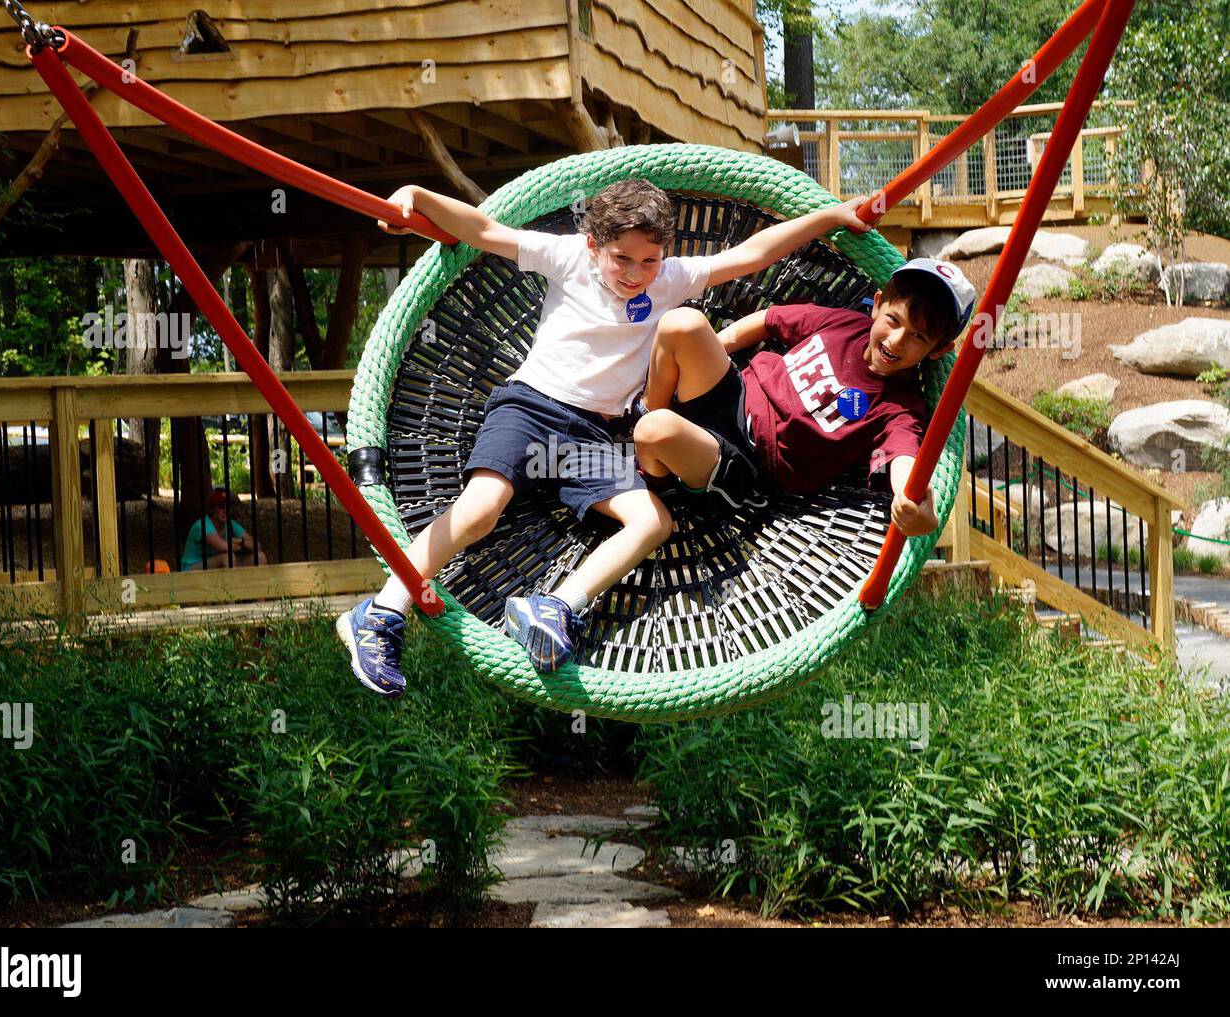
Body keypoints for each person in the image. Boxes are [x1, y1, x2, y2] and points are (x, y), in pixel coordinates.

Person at [337, 179, 872, 698]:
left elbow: (753, 254)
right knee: (481, 510)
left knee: (653, 522)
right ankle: (383, 609)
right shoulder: (566, 256)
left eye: (649, 260)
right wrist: (419, 198)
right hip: (529, 407)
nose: (636, 274)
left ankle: (556, 606)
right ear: (595, 245)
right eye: (622, 258)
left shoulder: (673, 279)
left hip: (595, 434)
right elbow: (482, 229)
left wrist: (826, 218)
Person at [631, 257, 977, 539]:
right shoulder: (846, 324)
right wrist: (707, 355)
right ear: (877, 304)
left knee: (655, 430)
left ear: (938, 349)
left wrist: (914, 504)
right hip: (735, 393)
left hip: (746, 461)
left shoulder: (899, 407)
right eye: (893, 319)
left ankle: (659, 487)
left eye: (918, 336)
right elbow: (771, 320)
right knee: (683, 324)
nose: (897, 340)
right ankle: (641, 416)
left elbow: (905, 456)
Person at [181, 488, 267, 570]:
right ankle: (231, 585)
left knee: (260, 558)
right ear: (213, 509)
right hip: (193, 567)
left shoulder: (231, 524)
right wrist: (241, 545)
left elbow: (257, 546)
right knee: (228, 558)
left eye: (228, 506)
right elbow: (226, 548)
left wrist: (240, 541)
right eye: (221, 506)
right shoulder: (203, 525)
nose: (225, 510)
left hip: (215, 564)